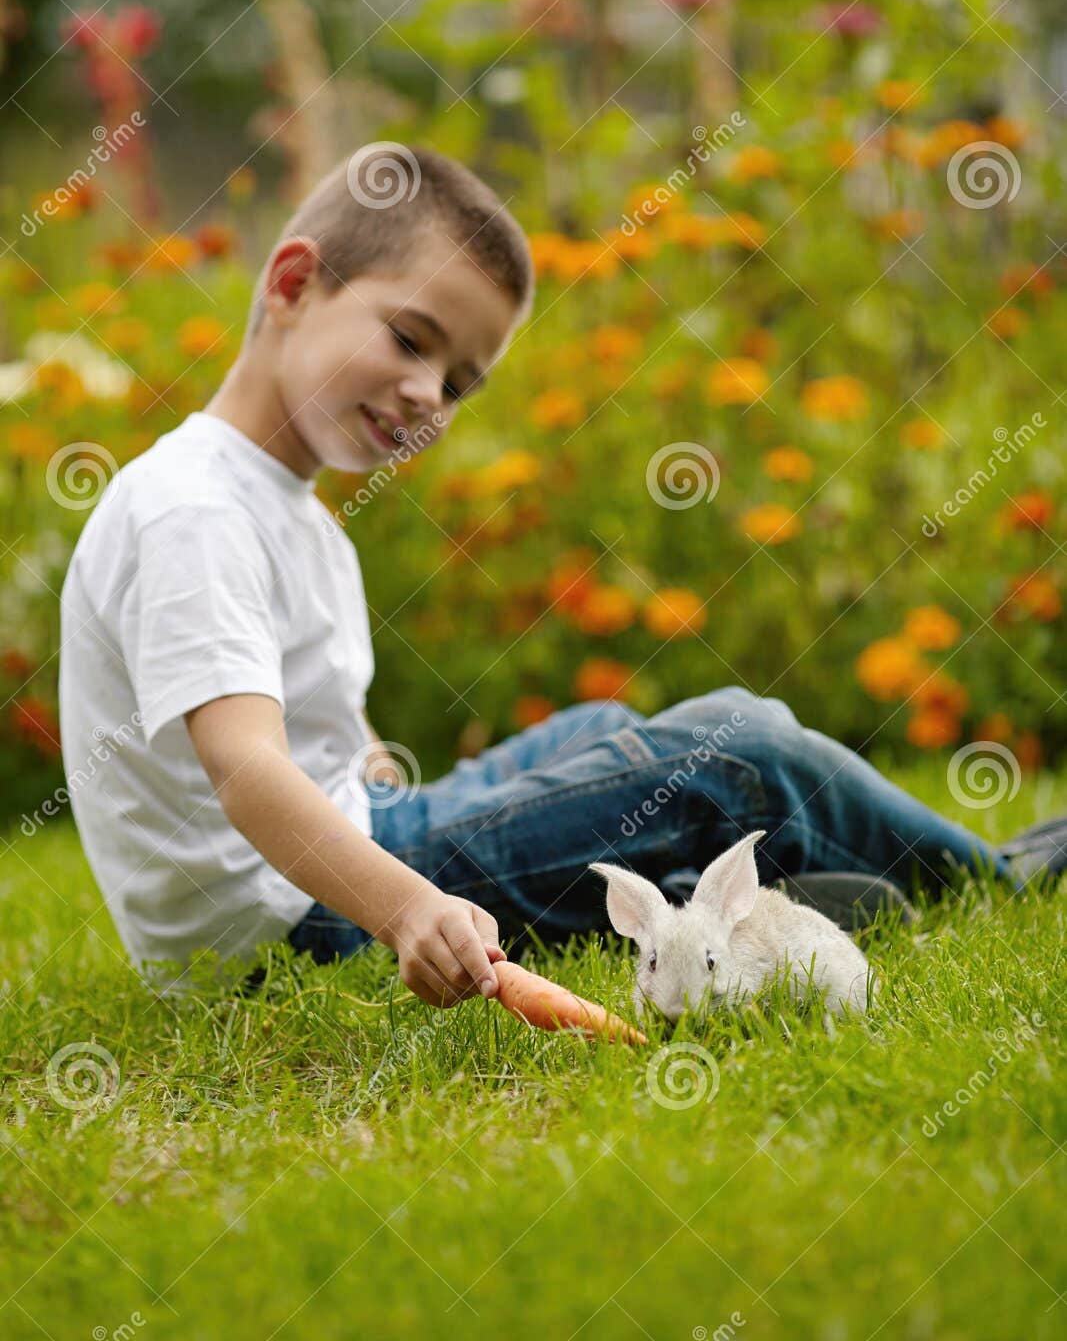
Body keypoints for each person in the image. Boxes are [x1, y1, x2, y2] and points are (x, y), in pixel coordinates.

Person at [58, 143, 1064, 1005]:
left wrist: (378, 765)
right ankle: (1003, 880)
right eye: (410, 339)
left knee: (598, 737)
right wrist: (410, 907)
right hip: (290, 928)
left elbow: (316, 726)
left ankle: (732, 902)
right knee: (731, 747)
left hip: (332, 859)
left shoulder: (277, 499)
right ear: (289, 284)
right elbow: (246, 767)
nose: (426, 394)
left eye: (458, 382)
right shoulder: (192, 506)